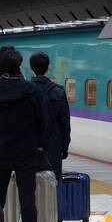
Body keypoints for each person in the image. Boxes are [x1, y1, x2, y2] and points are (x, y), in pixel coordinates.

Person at [0, 46, 51, 222]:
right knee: (27, 200)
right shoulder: (32, 91)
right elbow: (43, 122)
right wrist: (37, 143)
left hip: (0, 152)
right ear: (18, 66)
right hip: (26, 153)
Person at [28, 51, 71, 179]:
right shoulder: (58, 92)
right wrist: (64, 148)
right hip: (53, 146)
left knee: (29, 187)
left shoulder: (26, 91)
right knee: (53, 185)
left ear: (30, 68)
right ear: (49, 67)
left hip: (29, 146)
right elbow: (65, 124)